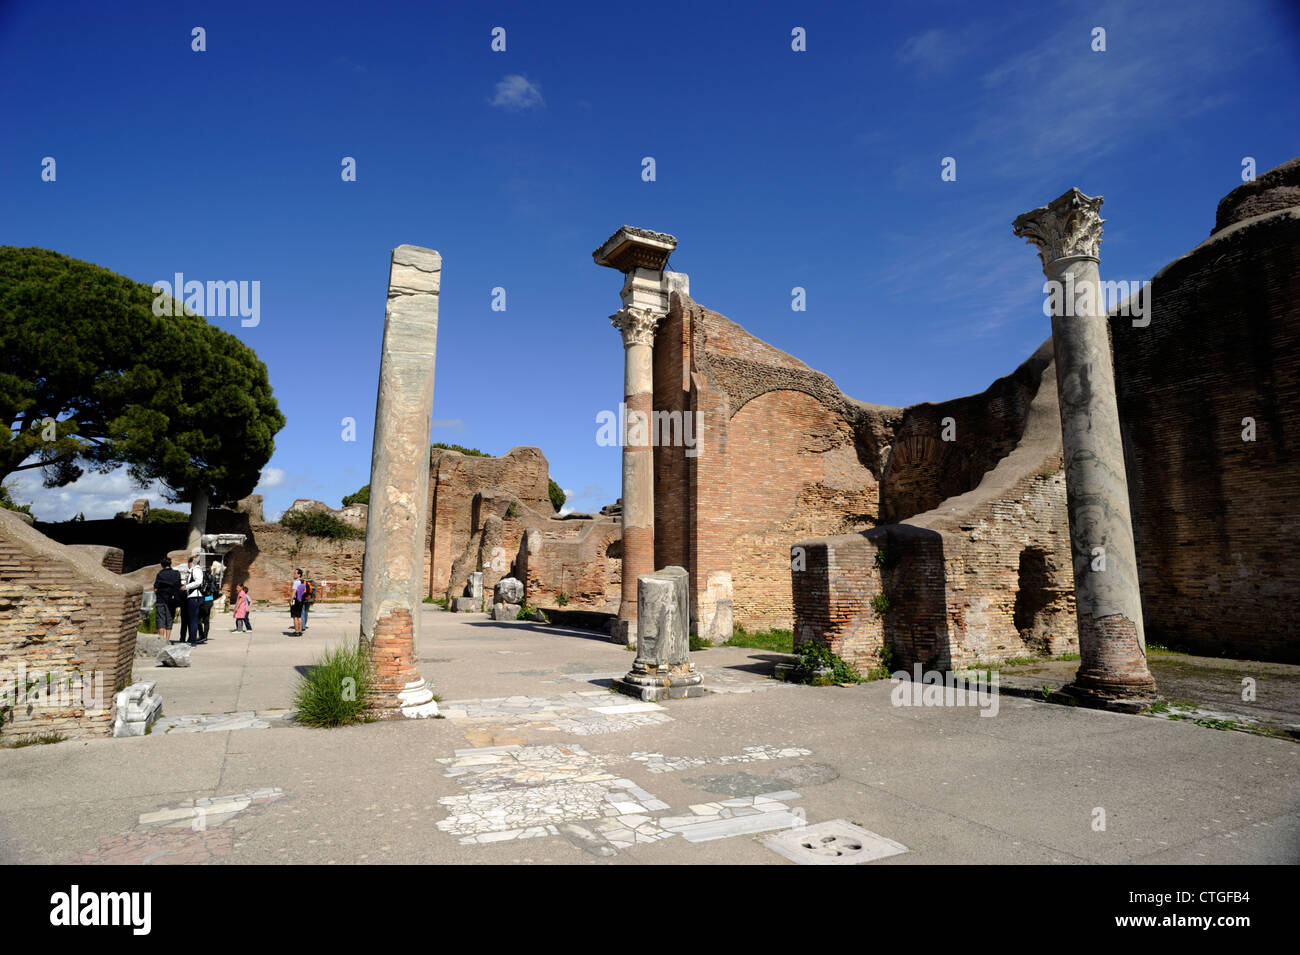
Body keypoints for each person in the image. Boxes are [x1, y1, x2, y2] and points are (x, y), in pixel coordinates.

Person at [152, 557, 182, 643]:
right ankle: (167, 640)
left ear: (162, 565)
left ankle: (161, 641)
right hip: (172, 600)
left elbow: (155, 588)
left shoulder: (160, 574)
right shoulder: (176, 573)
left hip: (161, 600)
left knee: (160, 619)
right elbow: (179, 586)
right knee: (169, 619)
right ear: (170, 564)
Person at [182, 555, 204, 646]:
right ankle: (191, 640)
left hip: (195, 597)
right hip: (193, 597)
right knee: (192, 620)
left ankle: (193, 642)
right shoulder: (193, 571)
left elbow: (198, 582)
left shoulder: (196, 570)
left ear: (191, 563)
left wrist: (186, 586)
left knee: (193, 620)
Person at [289, 569, 304, 636]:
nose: (294, 574)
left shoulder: (296, 582)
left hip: (296, 601)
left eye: (295, 573)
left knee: (295, 616)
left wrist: (290, 600)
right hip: (301, 600)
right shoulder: (303, 581)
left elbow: (294, 592)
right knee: (299, 616)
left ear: (299, 575)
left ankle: (296, 631)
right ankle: (300, 631)